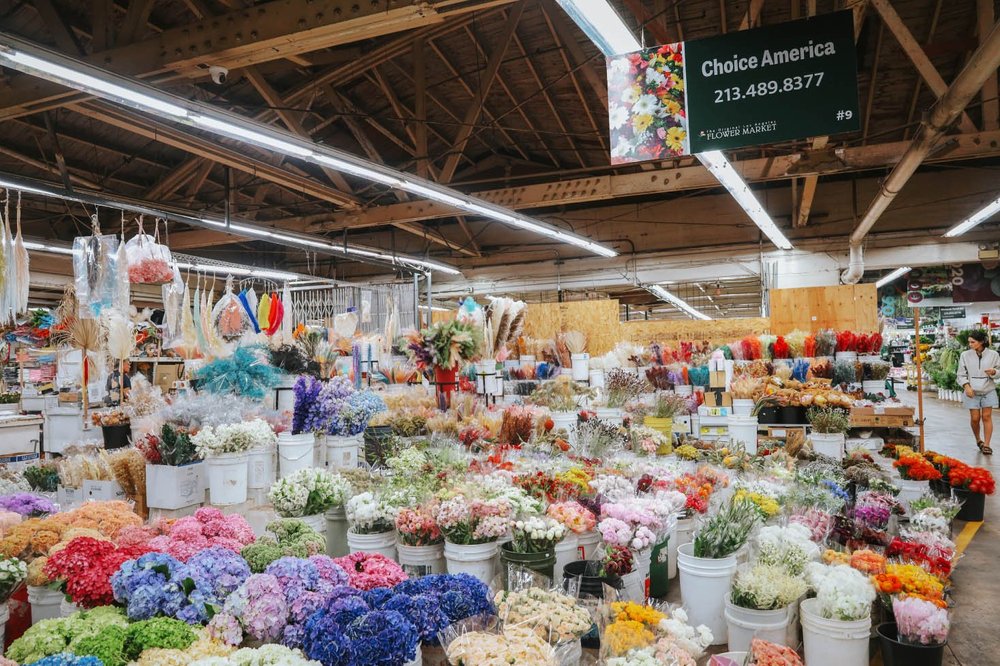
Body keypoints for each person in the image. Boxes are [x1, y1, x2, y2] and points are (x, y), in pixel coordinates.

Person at [957, 330, 1000, 455]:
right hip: (971, 390)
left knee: (986, 417)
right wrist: (966, 386)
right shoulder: (965, 355)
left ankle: (987, 444)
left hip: (988, 389)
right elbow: (960, 373)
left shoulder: (993, 355)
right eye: (969, 342)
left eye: (972, 342)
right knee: (975, 418)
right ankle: (978, 440)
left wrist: (994, 372)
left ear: (981, 342)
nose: (970, 344)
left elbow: (999, 371)